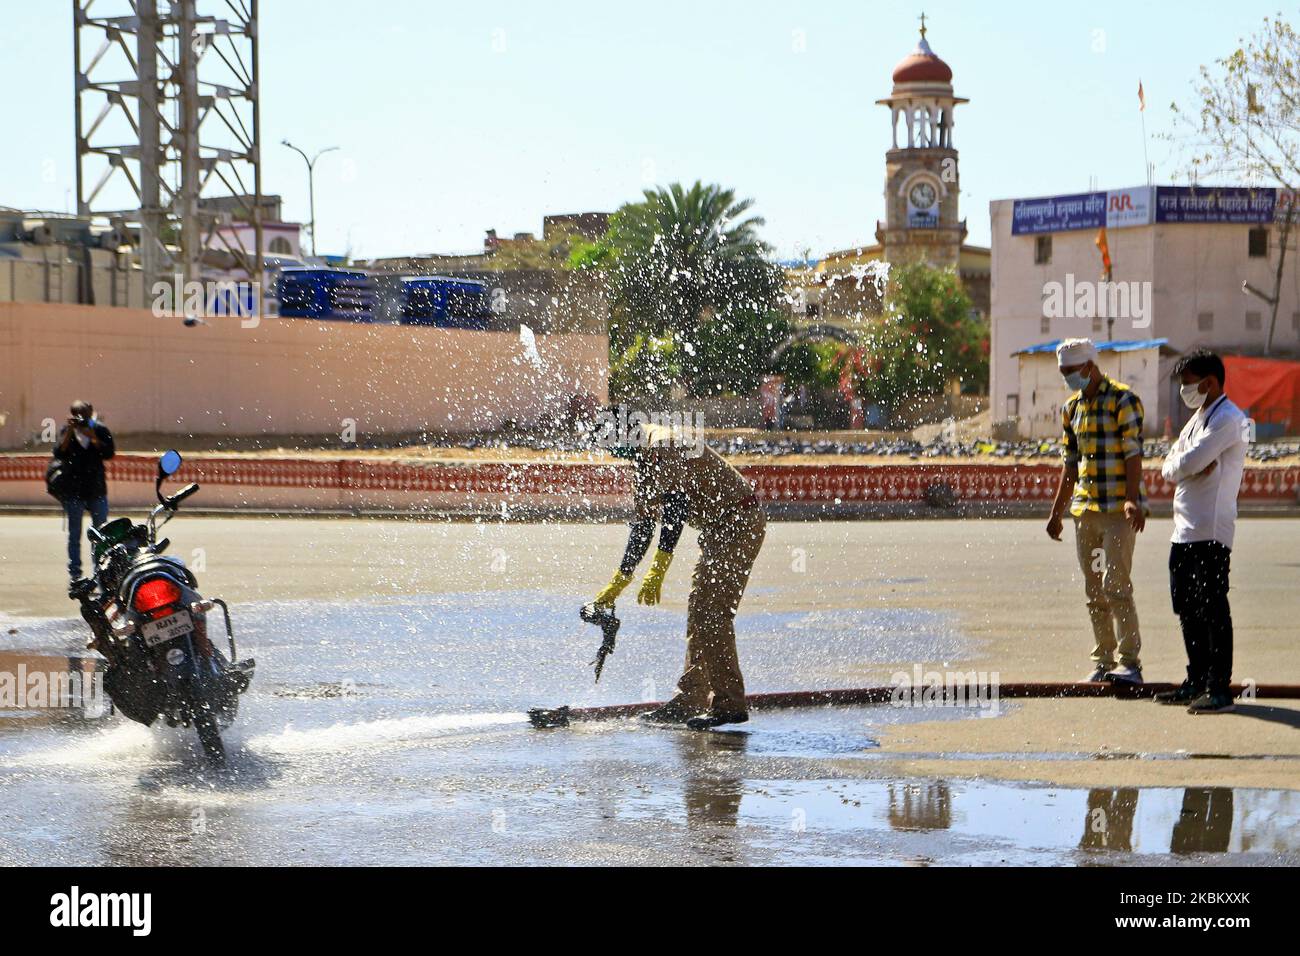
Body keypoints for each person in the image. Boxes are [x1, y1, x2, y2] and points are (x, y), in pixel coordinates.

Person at [592, 424, 765, 730]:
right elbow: (643, 526)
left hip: (738, 522)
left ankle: (729, 704)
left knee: (712, 614)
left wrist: (659, 566)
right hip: (717, 531)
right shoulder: (643, 462)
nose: (616, 454)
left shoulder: (665, 444)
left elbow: (676, 506)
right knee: (699, 612)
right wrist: (620, 579)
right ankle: (691, 699)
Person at [1045, 338, 1147, 684]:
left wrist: (1132, 499)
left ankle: (1129, 662)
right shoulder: (1071, 408)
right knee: (1095, 590)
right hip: (1086, 512)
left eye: (1071, 371)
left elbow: (1133, 452)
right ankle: (1103, 659)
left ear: (1089, 366)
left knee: (1116, 584)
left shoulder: (1122, 400)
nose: (1067, 378)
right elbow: (1070, 464)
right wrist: (1056, 513)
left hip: (1117, 512)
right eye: (1063, 373)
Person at [1155, 349, 1247, 715]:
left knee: (1212, 607)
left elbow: (1189, 460)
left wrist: (1187, 465)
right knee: (1187, 608)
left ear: (1209, 383)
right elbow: (1171, 466)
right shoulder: (1197, 420)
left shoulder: (1229, 419)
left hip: (1210, 530)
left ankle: (1218, 688)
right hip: (1184, 530)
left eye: (1188, 383)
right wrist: (1187, 468)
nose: (1184, 391)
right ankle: (1195, 680)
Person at [53, 400, 116, 582]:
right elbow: (59, 453)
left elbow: (109, 453)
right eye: (77, 415)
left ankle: (100, 572)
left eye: (84, 415)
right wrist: (70, 432)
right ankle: (75, 574)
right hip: (74, 491)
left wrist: (94, 438)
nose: (81, 419)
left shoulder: (100, 429)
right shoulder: (67, 431)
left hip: (96, 490)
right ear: (72, 415)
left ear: (90, 413)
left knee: (101, 535)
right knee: (75, 534)